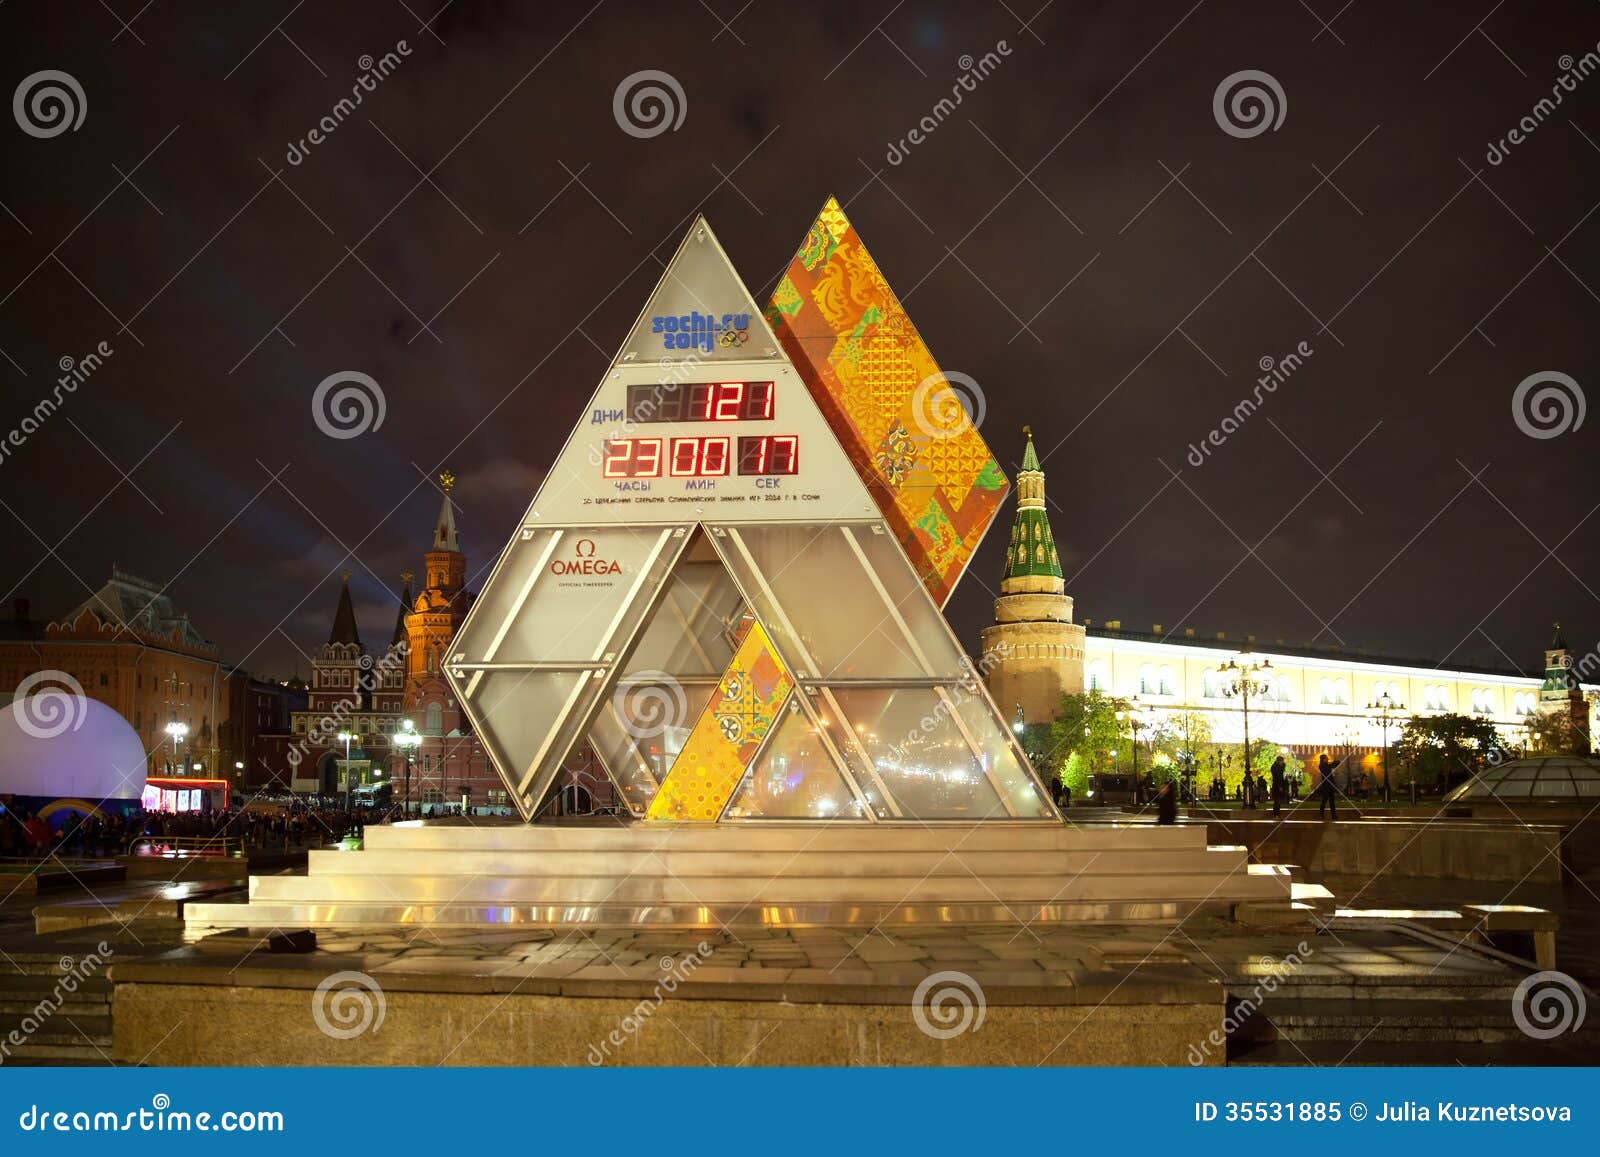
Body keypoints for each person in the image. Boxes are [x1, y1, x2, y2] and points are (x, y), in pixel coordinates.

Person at [1318, 755, 1340, 820]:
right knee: (1324, 801)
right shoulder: (1322, 766)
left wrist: (1335, 762)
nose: (1327, 759)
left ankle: (1334, 815)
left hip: (1330, 786)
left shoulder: (1327, 765)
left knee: (1332, 802)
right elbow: (1327, 769)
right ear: (1323, 759)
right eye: (1326, 758)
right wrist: (1332, 764)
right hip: (1325, 786)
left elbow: (1335, 764)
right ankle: (1321, 815)